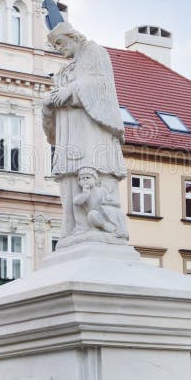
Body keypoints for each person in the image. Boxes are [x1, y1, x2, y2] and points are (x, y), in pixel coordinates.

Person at [43, 23, 127, 245]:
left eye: (60, 43)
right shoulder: (70, 66)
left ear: (73, 37)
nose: (59, 49)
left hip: (93, 132)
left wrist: (70, 90)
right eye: (55, 46)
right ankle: (71, 227)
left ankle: (99, 225)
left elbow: (101, 83)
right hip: (70, 130)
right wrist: (50, 102)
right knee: (69, 175)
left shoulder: (94, 51)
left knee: (91, 172)